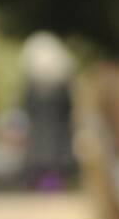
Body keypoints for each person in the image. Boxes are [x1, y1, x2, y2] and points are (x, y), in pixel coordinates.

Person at [19, 31, 76, 192]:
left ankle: (42, 182)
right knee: (54, 154)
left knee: (41, 153)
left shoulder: (32, 83)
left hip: (40, 132)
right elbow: (68, 105)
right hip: (56, 132)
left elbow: (25, 104)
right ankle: (52, 183)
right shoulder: (61, 82)